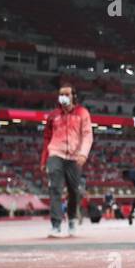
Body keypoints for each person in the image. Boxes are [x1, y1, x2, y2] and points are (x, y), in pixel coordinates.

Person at [39, 83, 93, 237]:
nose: (63, 97)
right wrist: (44, 160)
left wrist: (83, 154)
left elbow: (87, 134)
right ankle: (55, 225)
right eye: (61, 94)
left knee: (74, 191)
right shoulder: (53, 116)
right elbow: (46, 139)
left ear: (73, 96)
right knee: (55, 189)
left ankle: (72, 221)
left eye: (66, 94)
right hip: (55, 154)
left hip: (75, 157)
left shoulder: (83, 113)